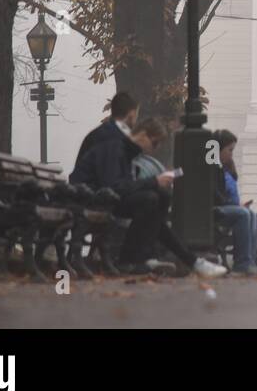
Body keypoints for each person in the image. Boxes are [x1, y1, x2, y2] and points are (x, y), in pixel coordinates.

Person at [71, 115, 226, 278]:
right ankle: (139, 258)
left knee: (159, 198)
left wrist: (155, 183)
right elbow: (115, 186)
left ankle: (163, 258)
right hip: (93, 198)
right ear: (143, 134)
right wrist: (154, 181)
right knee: (151, 200)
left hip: (107, 198)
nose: (155, 148)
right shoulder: (115, 148)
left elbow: (122, 187)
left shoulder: (125, 151)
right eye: (155, 142)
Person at [214, 130, 257, 277]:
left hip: (222, 207)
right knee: (244, 214)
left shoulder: (219, 167)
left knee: (250, 213)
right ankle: (242, 264)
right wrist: (234, 205)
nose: (231, 154)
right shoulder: (213, 166)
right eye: (229, 150)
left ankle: (249, 262)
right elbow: (213, 194)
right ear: (218, 149)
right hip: (213, 209)